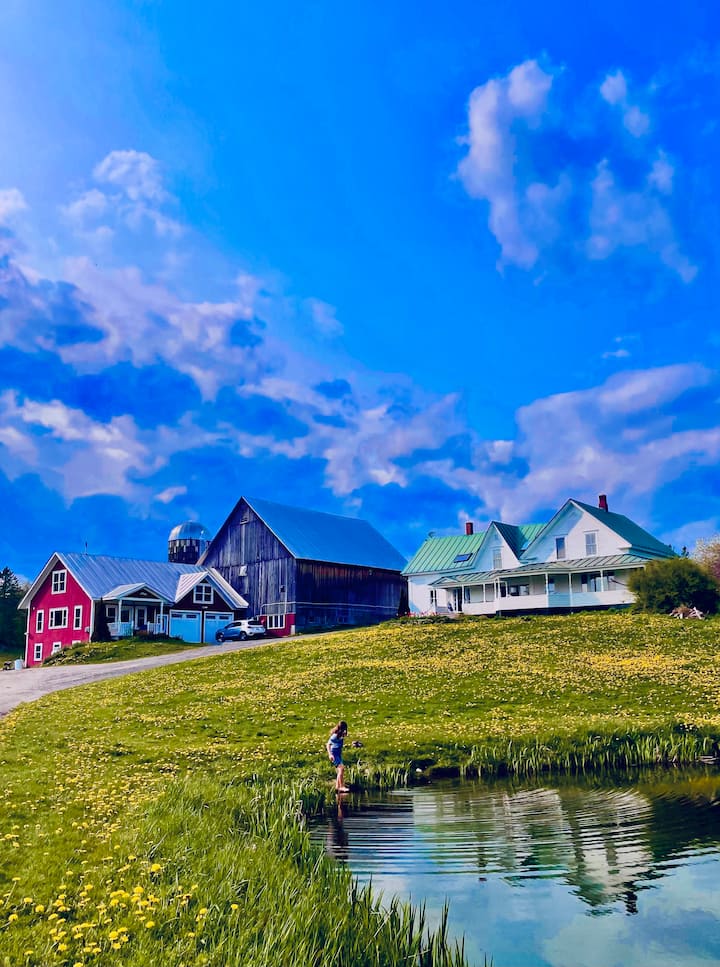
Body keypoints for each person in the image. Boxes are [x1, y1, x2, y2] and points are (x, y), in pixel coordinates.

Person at [326, 720, 349, 793]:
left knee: (341, 769)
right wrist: (330, 754)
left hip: (338, 753)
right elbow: (328, 744)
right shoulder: (335, 736)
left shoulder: (341, 734)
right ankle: (341, 786)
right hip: (334, 753)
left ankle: (337, 787)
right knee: (341, 769)